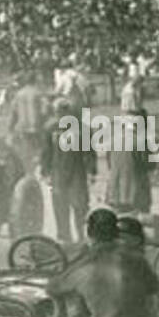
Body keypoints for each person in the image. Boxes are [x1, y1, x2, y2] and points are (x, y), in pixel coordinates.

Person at [42, 97, 96, 244]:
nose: (62, 115)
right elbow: (46, 152)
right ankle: (64, 237)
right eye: (59, 112)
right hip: (57, 172)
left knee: (80, 205)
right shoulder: (50, 128)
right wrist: (45, 172)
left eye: (65, 111)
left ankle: (82, 235)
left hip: (77, 172)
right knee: (60, 206)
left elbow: (89, 152)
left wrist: (91, 171)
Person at [105, 108, 153, 213]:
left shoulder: (113, 140)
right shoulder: (142, 141)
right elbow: (148, 165)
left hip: (115, 192)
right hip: (136, 194)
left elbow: (109, 164)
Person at [8, 69, 48, 173]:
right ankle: (39, 171)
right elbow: (45, 110)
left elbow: (13, 112)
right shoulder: (38, 94)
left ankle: (29, 171)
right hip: (36, 126)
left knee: (27, 152)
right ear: (35, 80)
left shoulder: (19, 94)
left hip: (23, 127)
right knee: (39, 151)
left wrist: (10, 128)